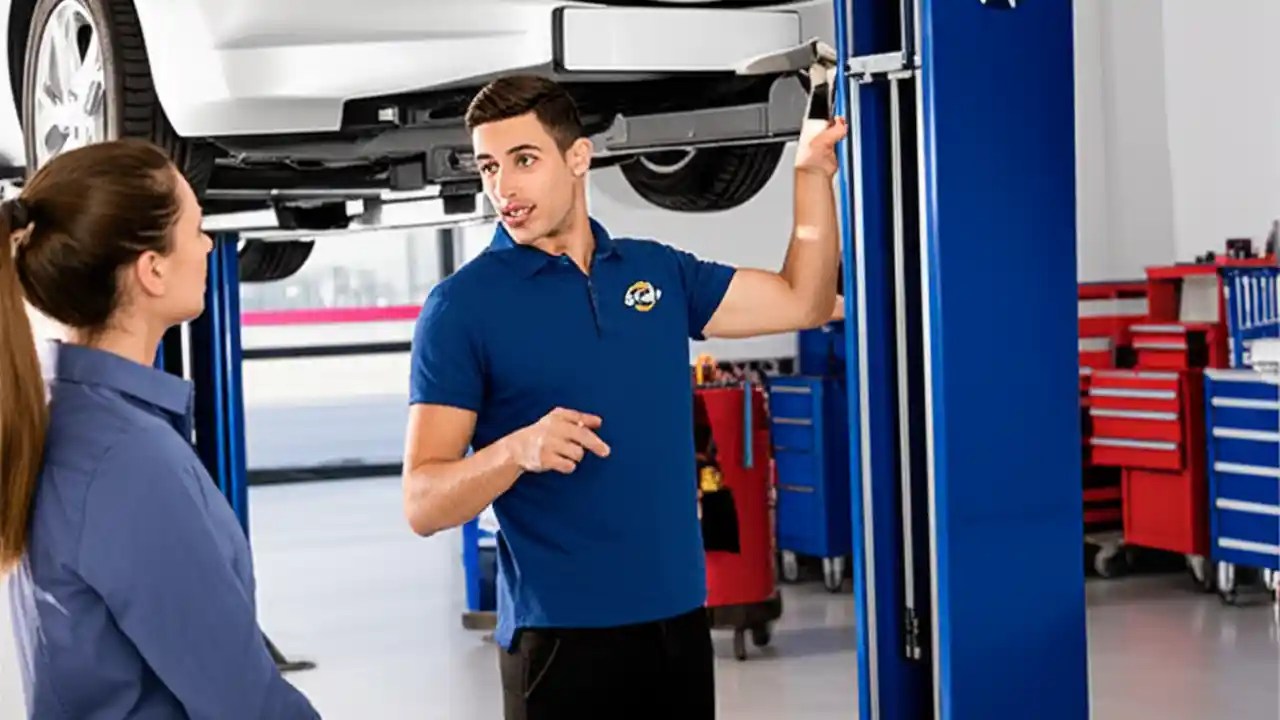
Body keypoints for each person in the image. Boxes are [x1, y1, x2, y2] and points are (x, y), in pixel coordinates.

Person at [401, 75, 846, 719]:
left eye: (524, 160)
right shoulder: (460, 308)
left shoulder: (656, 271)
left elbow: (802, 301)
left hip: (678, 625)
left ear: (577, 158)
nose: (503, 188)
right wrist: (516, 451)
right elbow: (422, 502)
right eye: (490, 166)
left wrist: (810, 174)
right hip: (559, 642)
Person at [0, 139, 320, 719]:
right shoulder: (126, 460)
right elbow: (242, 703)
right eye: (196, 228)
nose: (207, 246)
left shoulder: (70, 416)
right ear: (151, 269)